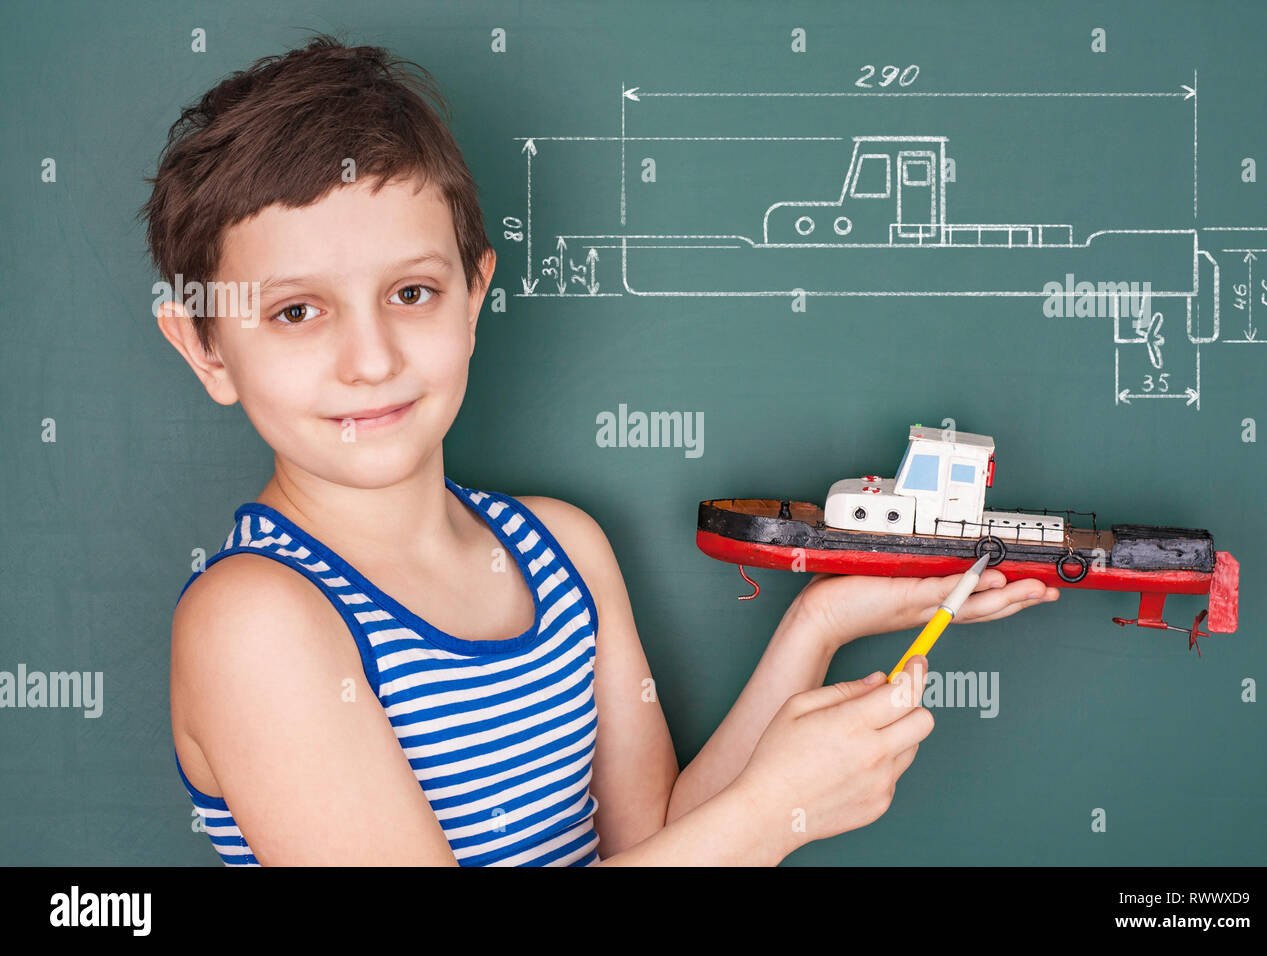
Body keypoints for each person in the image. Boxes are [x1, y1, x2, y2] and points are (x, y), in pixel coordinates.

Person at [143, 33, 1057, 866]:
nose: (371, 358)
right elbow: (721, 844)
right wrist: (775, 813)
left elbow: (659, 842)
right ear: (205, 347)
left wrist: (818, 623)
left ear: (474, 293)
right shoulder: (254, 622)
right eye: (297, 312)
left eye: (412, 293)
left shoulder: (564, 551)